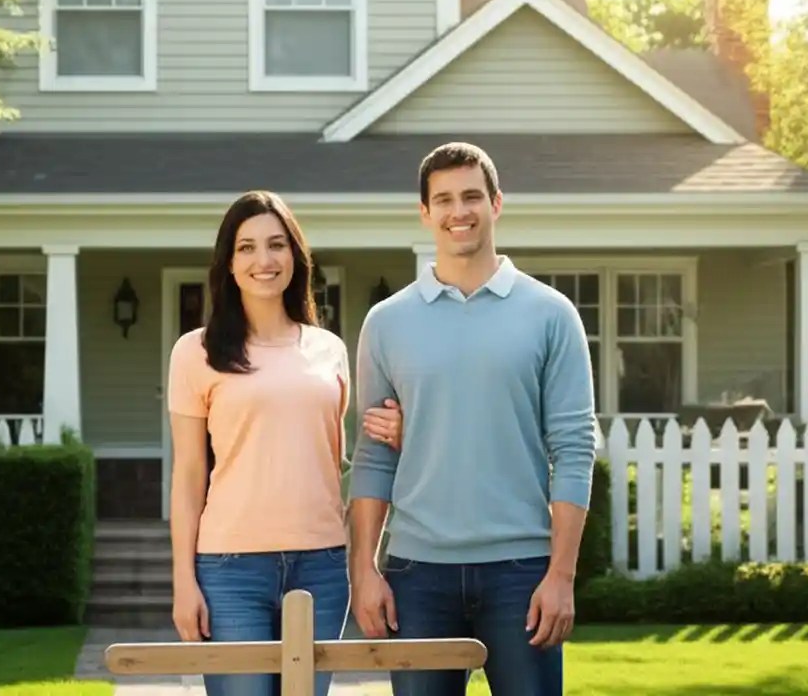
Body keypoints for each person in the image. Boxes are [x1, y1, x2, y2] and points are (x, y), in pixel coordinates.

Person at [347, 142, 597, 696]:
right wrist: (363, 570)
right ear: (424, 212)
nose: (458, 211)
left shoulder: (551, 314)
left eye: (471, 196)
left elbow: (574, 449)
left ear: (496, 203)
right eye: (443, 200)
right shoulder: (387, 323)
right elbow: (372, 456)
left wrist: (560, 575)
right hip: (417, 574)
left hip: (521, 571)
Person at [166, 190, 403, 696]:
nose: (263, 260)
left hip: (321, 565)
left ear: (296, 256)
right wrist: (184, 581)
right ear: (228, 264)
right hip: (229, 570)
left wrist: (401, 433)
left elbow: (333, 458)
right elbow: (188, 475)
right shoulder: (195, 352)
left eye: (276, 245)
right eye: (246, 247)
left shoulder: (330, 350)